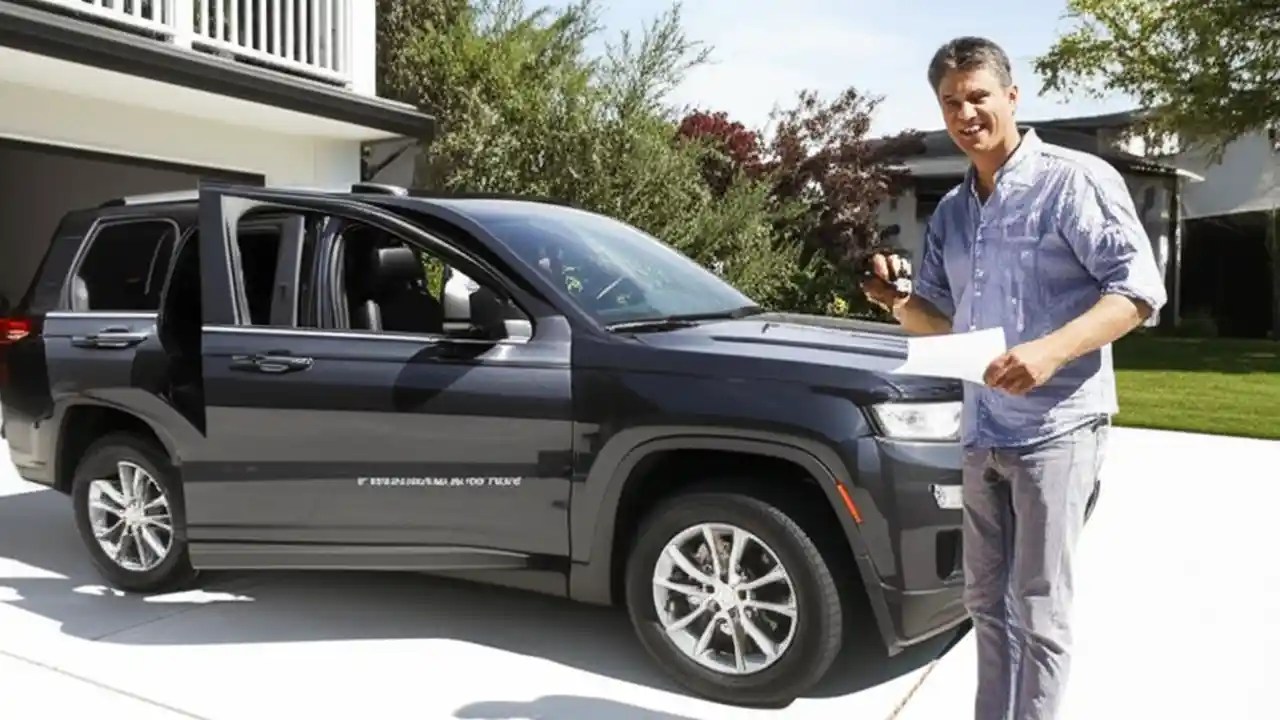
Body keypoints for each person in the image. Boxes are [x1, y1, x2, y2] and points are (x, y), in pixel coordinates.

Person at [861, 36, 1167, 720]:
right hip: (982, 432)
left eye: (977, 96)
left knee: (1039, 609)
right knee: (984, 604)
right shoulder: (952, 212)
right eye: (950, 102)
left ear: (1010, 96)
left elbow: (1139, 291)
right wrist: (900, 304)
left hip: (1057, 430)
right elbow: (945, 326)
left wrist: (1051, 352)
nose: (965, 113)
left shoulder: (1074, 181)